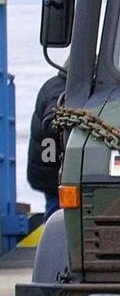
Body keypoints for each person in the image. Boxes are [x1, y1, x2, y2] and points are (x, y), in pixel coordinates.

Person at [26, 72, 67, 220]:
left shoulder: (53, 85)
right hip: (54, 174)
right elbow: (51, 124)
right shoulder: (61, 91)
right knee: (57, 216)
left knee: (54, 214)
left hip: (45, 169)